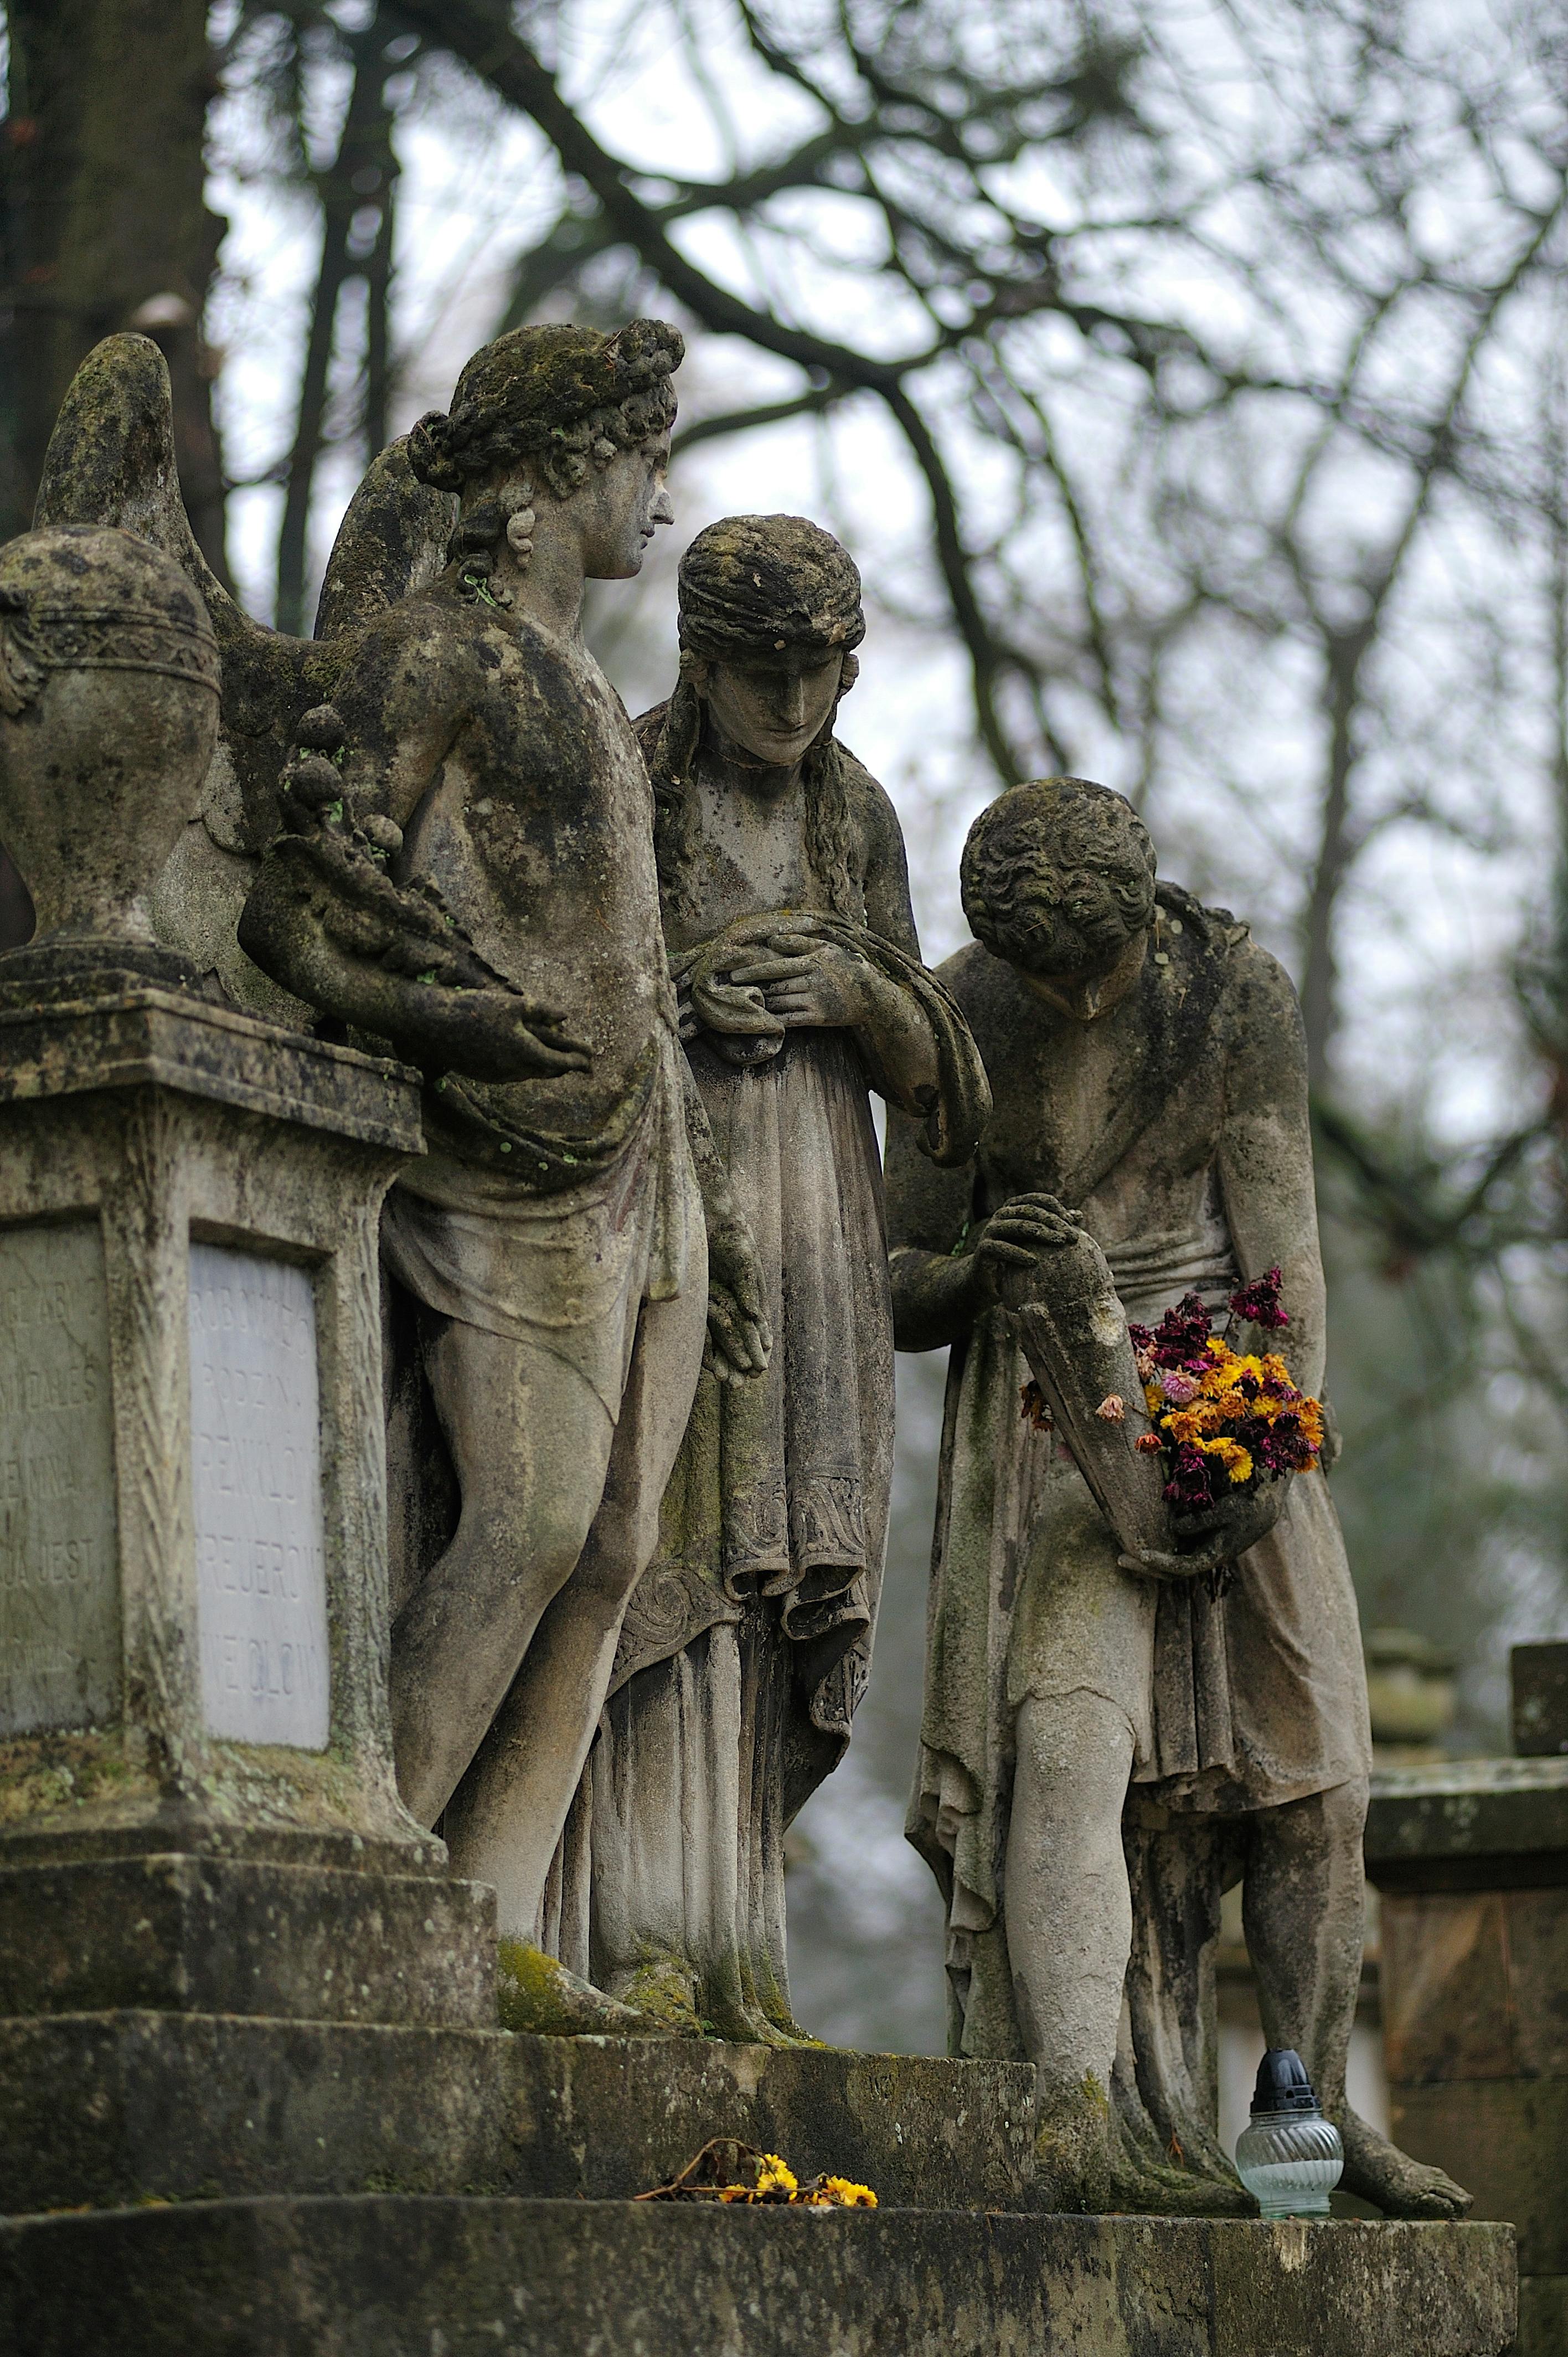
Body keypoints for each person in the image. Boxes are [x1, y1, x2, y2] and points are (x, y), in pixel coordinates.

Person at [238, 325, 770, 2031]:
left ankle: (488, 1921)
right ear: (552, 473)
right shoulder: (437, 656)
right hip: (507, 1158)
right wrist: (454, 1021)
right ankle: (351, 1904)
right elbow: (300, 902)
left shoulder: (590, 689)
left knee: (611, 1551)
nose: (661, 497)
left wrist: (706, 1196)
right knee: (527, 1527)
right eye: (642, 459)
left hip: (641, 1160)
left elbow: (637, 965)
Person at [885, 775, 1469, 2217]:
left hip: (1230, 1381)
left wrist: (1268, 1447)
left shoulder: (1228, 992)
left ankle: (1319, 2115)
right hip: (1054, 1417)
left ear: (1143, 913)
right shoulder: (961, 1010)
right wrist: (981, 1272)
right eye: (1047, 981)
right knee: (1071, 1756)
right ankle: (1078, 2113)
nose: (1078, 1002)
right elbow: (900, 1281)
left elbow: (1286, 1246)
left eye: (1099, 970)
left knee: (1319, 1781)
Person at [544, 516, 988, 2040]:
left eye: (817, 670)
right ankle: (637, 1940)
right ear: (700, 659)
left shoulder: (854, 813)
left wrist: (859, 990)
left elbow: (939, 1077)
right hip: (674, 1205)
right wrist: (685, 994)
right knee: (665, 1548)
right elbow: (564, 1001)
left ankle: (738, 1951)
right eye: (760, 670)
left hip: (822, 1239)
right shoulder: (628, 779)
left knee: (779, 1583)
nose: (792, 703)